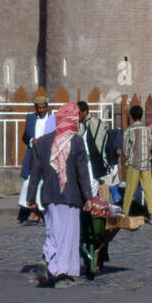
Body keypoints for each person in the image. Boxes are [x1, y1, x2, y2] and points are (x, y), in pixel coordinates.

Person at [26, 102, 93, 289]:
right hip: (71, 196)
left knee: (53, 231)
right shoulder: (76, 141)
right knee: (68, 234)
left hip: (49, 194)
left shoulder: (44, 142)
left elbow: (35, 173)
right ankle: (61, 274)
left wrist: (30, 198)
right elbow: (82, 173)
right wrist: (88, 197)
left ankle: (47, 258)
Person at [19, 91, 52, 224]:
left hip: (46, 155)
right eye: (39, 108)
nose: (42, 110)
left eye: (44, 107)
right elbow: (24, 136)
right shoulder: (31, 118)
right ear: (36, 108)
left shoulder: (51, 119)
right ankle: (32, 212)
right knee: (30, 183)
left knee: (44, 184)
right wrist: (32, 140)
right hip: (33, 155)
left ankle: (43, 214)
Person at [121, 104, 152, 222]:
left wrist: (127, 159)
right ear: (141, 116)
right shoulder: (147, 130)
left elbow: (125, 148)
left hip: (133, 164)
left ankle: (125, 213)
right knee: (149, 190)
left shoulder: (129, 130)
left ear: (131, 116)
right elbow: (150, 145)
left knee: (129, 190)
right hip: (146, 164)